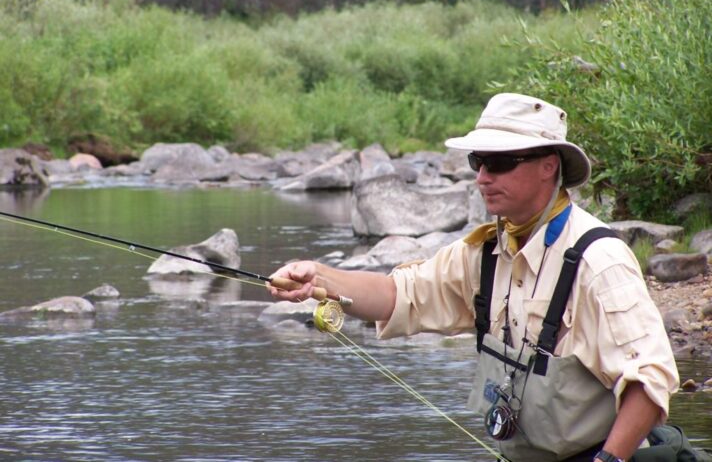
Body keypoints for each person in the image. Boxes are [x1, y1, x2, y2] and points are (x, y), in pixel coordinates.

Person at [269, 93, 685, 462]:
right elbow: (398, 295)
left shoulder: (600, 261)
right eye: (478, 162)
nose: (482, 177)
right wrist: (318, 277)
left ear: (548, 166)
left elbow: (649, 383)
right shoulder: (482, 254)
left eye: (500, 163)